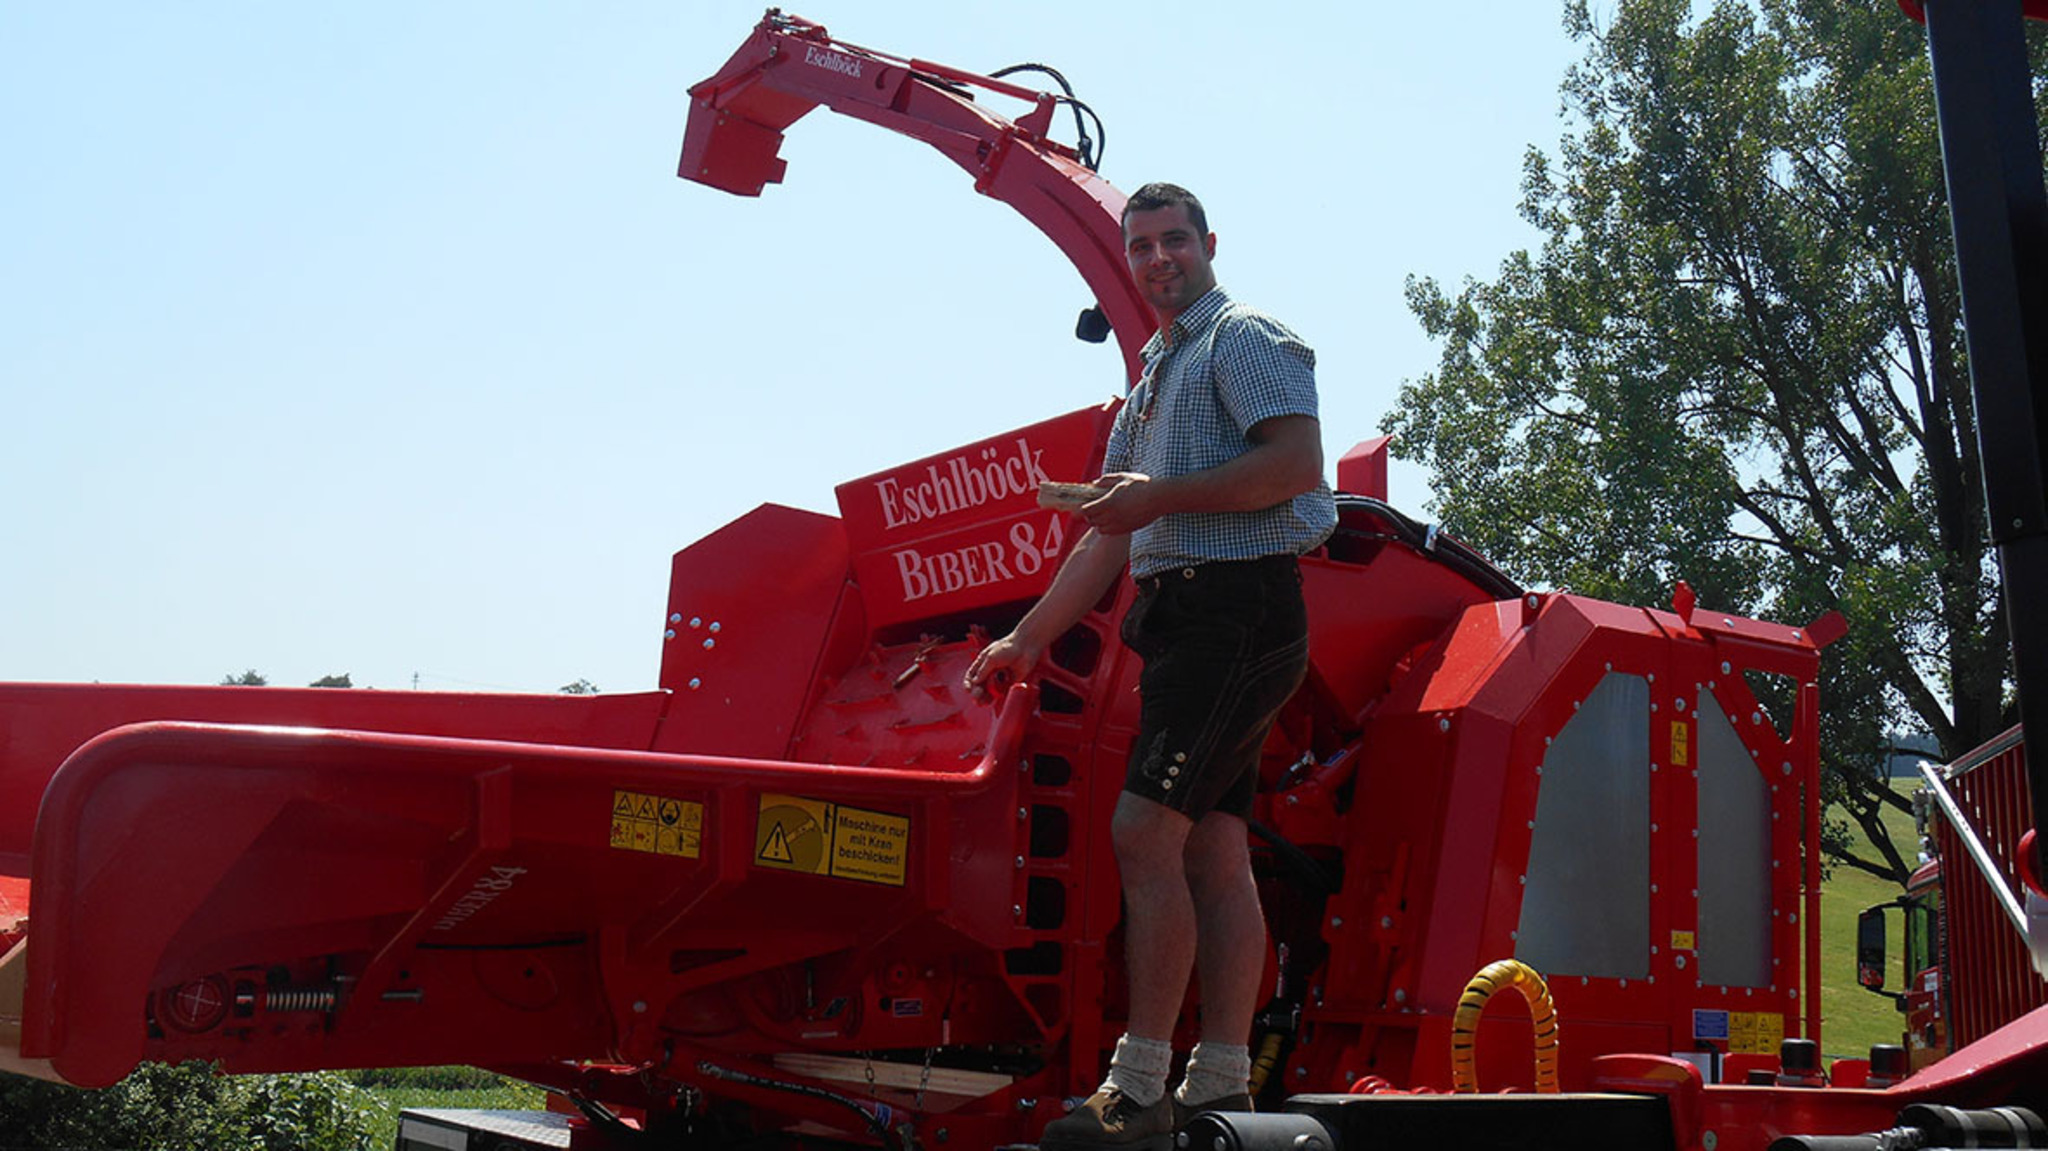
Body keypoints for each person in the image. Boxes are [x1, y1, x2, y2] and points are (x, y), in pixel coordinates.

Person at [964, 182, 1336, 1150]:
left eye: (1173, 240)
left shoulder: (1243, 338)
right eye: (1140, 245)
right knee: (1211, 845)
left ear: (1210, 243)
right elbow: (1107, 529)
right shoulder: (1155, 370)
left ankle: (1138, 1083)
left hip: (1235, 607)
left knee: (1142, 831)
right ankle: (1217, 1080)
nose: (1157, 256)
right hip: (1192, 619)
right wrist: (1027, 638)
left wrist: (1156, 497)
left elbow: (1295, 463)